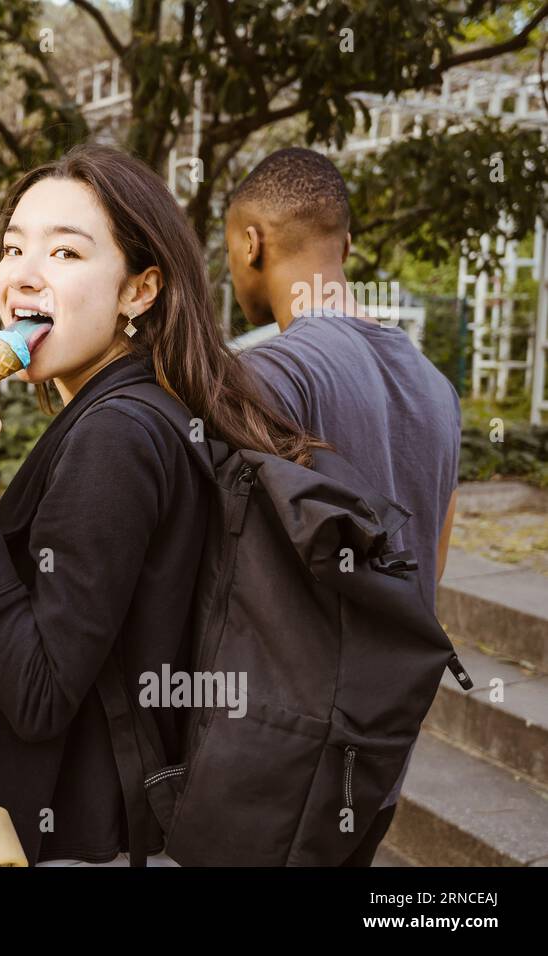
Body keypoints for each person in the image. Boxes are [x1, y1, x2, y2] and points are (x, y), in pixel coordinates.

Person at [0, 143, 322, 866]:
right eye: (14, 248)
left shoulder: (118, 435)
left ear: (139, 291)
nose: (22, 275)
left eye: (65, 254)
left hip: (86, 837)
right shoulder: (129, 412)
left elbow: (39, 692)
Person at [226, 146, 461, 865]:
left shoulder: (266, 375)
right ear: (347, 245)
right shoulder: (439, 391)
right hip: (378, 765)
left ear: (250, 242)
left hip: (280, 778)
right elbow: (431, 575)